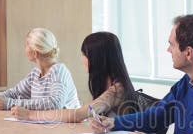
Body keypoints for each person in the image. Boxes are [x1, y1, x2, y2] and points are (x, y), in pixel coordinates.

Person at [90, 14, 193, 134]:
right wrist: (113, 122)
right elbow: (157, 116)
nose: (168, 50)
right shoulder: (186, 83)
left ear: (188, 53)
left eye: (171, 45)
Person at [11, 31, 139, 122]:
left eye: (84, 54)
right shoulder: (108, 85)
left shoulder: (117, 90)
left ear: (97, 58)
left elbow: (78, 114)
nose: (82, 58)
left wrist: (30, 114)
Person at [0, 27, 80, 110]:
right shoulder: (35, 73)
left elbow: (54, 104)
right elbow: (15, 93)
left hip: (66, 127)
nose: (24, 48)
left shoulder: (59, 71)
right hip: (48, 125)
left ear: (35, 53)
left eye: (26, 45)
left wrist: (10, 104)